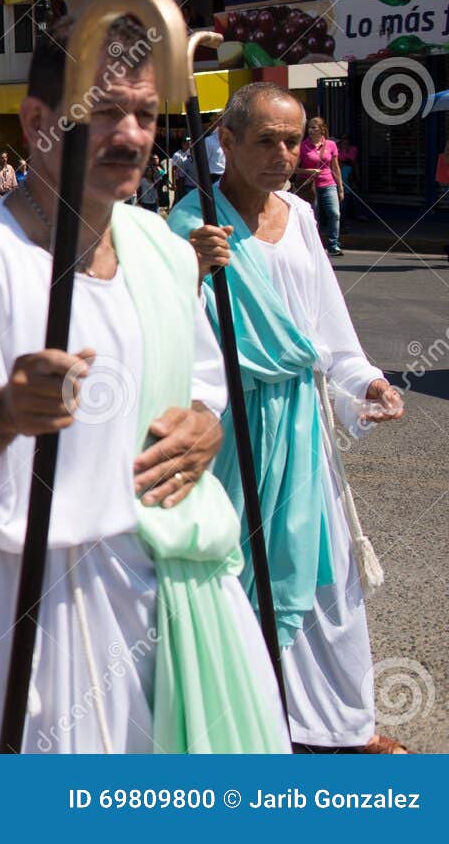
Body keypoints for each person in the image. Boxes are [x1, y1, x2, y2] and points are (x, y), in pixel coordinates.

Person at [0, 12, 287, 753]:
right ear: (38, 120)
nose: (131, 135)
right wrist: (2, 413)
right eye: (102, 113)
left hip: (181, 593)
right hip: (48, 609)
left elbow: (199, 379)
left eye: (143, 113)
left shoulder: (158, 249)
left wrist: (204, 422)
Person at [171, 82, 407, 753]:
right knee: (247, 573)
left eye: (293, 139)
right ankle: (254, 721)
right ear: (226, 141)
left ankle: (344, 723)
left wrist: (364, 380)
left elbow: (325, 321)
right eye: (266, 140)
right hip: (235, 423)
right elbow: (178, 332)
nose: (283, 154)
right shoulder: (193, 223)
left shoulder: (301, 214)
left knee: (324, 569)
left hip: (302, 420)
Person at [295, 116, 344, 256]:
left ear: (322, 129)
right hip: (310, 187)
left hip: (328, 184)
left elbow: (335, 167)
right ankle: (314, 245)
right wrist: (308, 171)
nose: (310, 130)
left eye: (313, 127)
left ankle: (333, 245)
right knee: (313, 217)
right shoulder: (303, 146)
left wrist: (340, 187)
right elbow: (293, 168)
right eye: (309, 127)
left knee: (334, 214)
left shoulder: (331, 145)